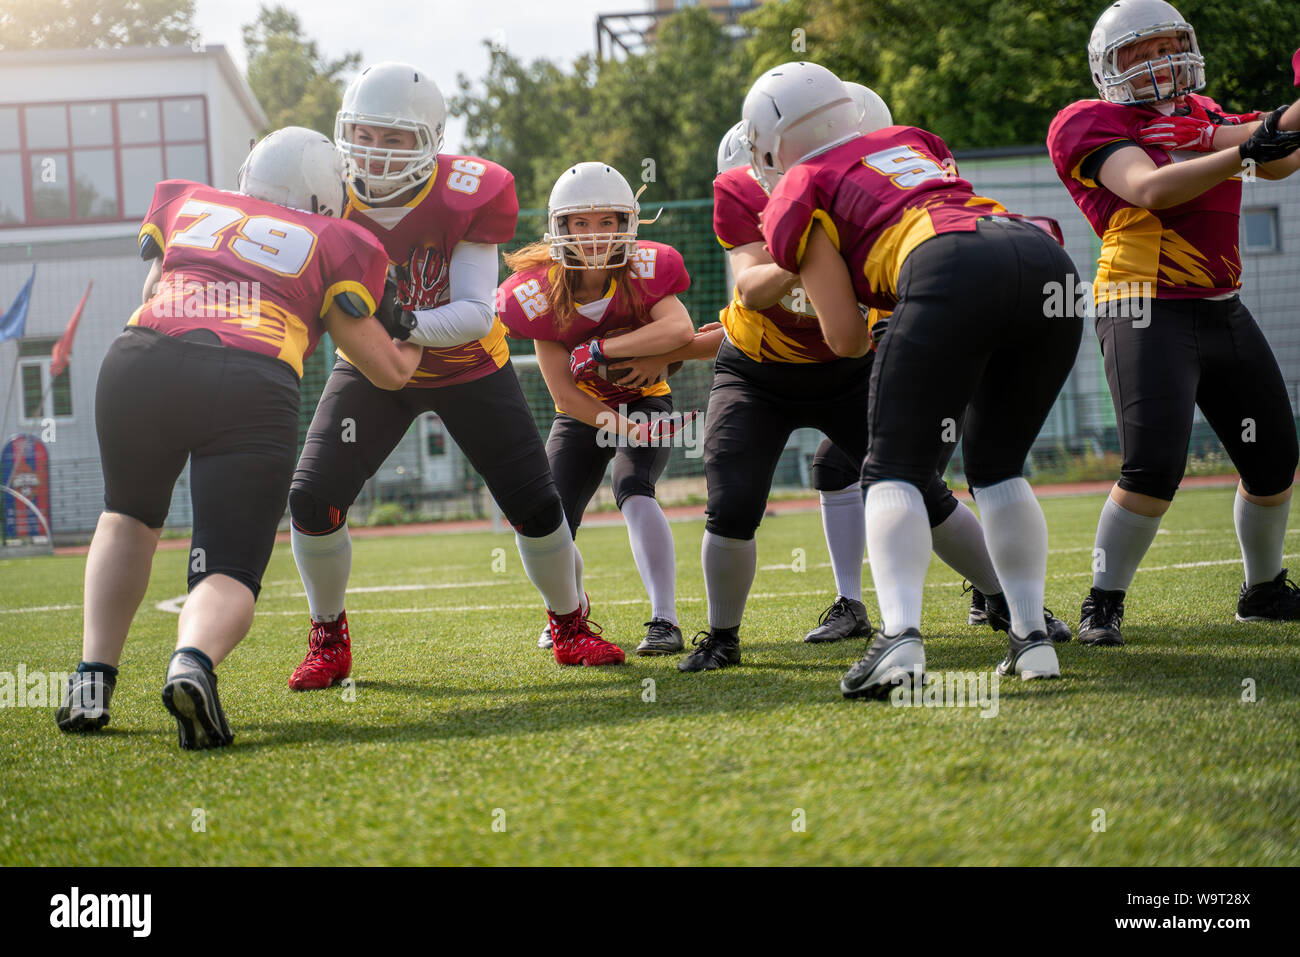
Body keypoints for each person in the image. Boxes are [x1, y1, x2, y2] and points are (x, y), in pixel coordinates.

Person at [55, 127, 423, 748]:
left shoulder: (191, 203)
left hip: (140, 358)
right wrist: (415, 336)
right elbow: (385, 368)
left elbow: (155, 288)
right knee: (227, 564)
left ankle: (92, 680)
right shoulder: (333, 238)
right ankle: (192, 661)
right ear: (327, 195)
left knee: (126, 518)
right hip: (249, 378)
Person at [685, 91, 1069, 673]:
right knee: (734, 502)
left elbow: (852, 336)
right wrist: (817, 254)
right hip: (761, 366)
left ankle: (945, 625)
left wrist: (825, 249)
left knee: (911, 481)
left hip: (857, 351)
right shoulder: (890, 151)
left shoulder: (810, 180)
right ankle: (721, 635)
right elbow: (751, 287)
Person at [287, 63, 623, 676]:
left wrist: (403, 325)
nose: (377, 153)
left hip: (469, 365)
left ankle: (570, 626)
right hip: (369, 367)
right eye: (365, 135)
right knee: (311, 499)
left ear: (430, 141)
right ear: (343, 134)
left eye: (395, 139)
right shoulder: (326, 191)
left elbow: (472, 314)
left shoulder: (470, 189)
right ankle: (329, 641)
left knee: (538, 509)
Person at [1048, 0, 1300, 645]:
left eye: (1168, 47)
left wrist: (1272, 129)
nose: (1161, 63)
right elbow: (1153, 188)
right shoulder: (1086, 120)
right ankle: (1102, 602)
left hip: (1221, 303)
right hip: (1141, 302)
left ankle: (1263, 589)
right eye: (1142, 52)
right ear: (1109, 66)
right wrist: (1251, 146)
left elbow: (1275, 152)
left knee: (1273, 458)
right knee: (1154, 464)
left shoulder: (1204, 112)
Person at [497, 163, 720, 655]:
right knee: (548, 513)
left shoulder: (644, 269)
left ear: (626, 224)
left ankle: (665, 619)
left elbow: (680, 331)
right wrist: (622, 427)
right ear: (561, 228)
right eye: (581, 223)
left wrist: (599, 351)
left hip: (646, 396)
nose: (595, 235)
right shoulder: (539, 293)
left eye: (606, 222)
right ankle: (566, 611)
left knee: (632, 486)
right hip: (584, 410)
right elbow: (564, 395)